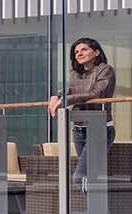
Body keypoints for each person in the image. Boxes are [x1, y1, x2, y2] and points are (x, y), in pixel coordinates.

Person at [48, 38, 117, 201]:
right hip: (79, 130)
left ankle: (101, 212)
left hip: (99, 128)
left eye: (84, 50)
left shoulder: (105, 70)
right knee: (90, 176)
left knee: (80, 177)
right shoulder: (76, 74)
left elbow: (96, 93)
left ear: (97, 52)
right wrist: (55, 96)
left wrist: (65, 100)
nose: (79, 54)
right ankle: (99, 212)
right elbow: (68, 90)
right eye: (76, 52)